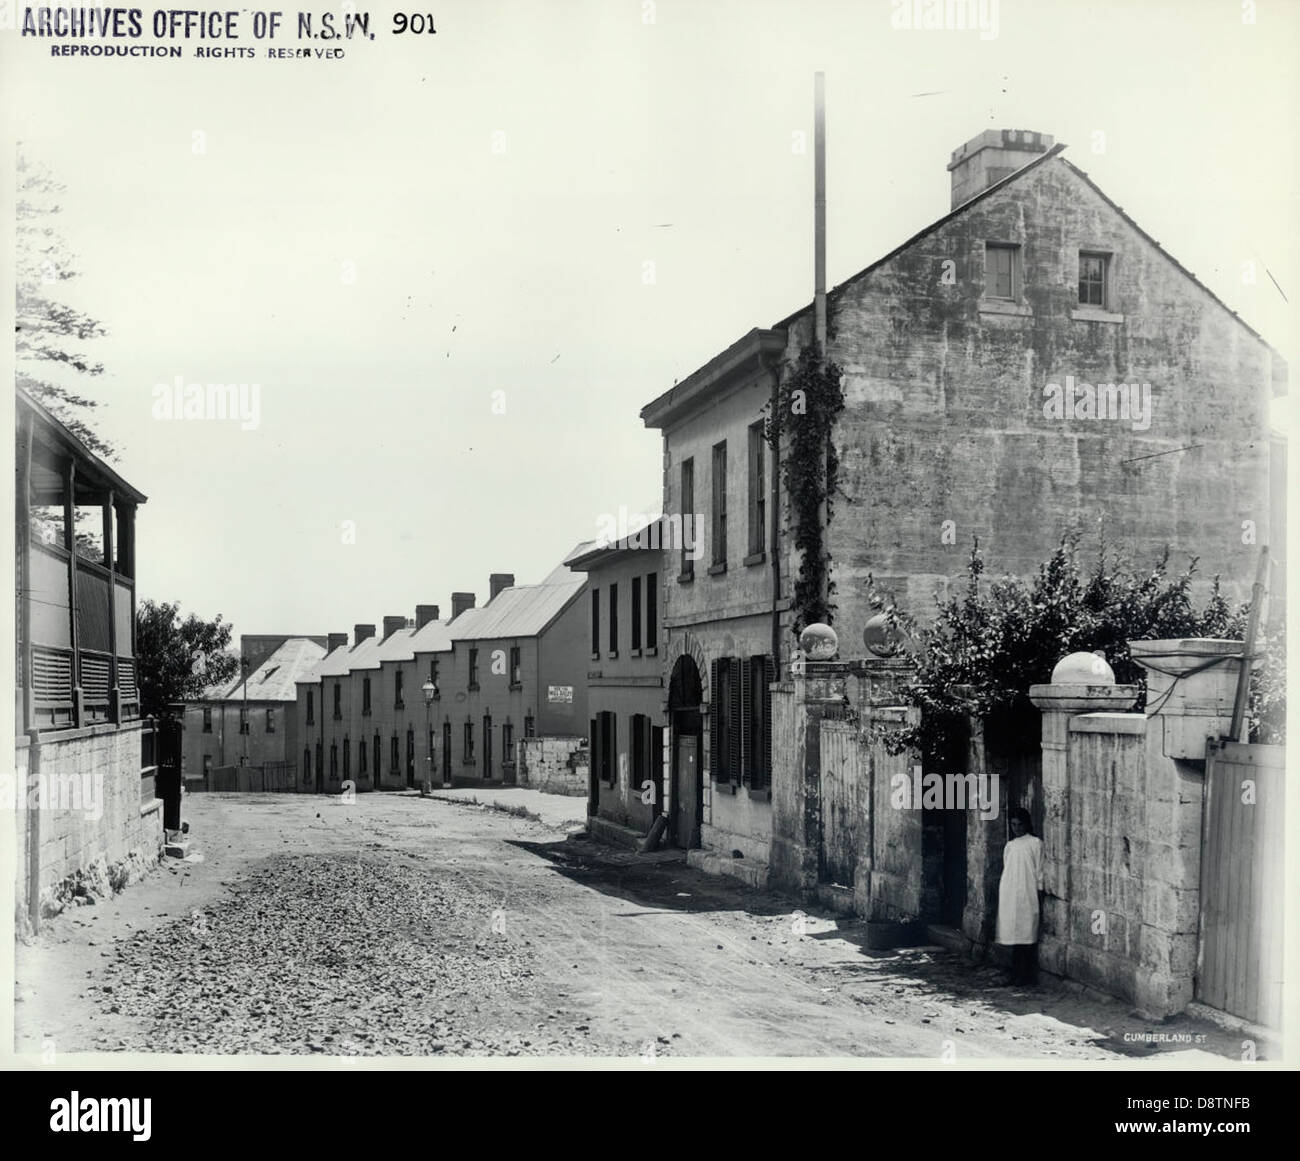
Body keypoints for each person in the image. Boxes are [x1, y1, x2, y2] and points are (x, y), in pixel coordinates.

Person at [996, 807, 1044, 985]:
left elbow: (1039, 869)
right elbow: (1007, 868)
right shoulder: (1010, 846)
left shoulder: (1035, 843)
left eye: (1019, 824)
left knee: (1027, 934)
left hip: (1027, 891)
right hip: (1011, 892)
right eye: (1013, 824)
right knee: (1015, 935)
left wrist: (1039, 890)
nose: (1016, 828)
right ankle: (1016, 973)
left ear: (1026, 824)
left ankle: (1026, 975)